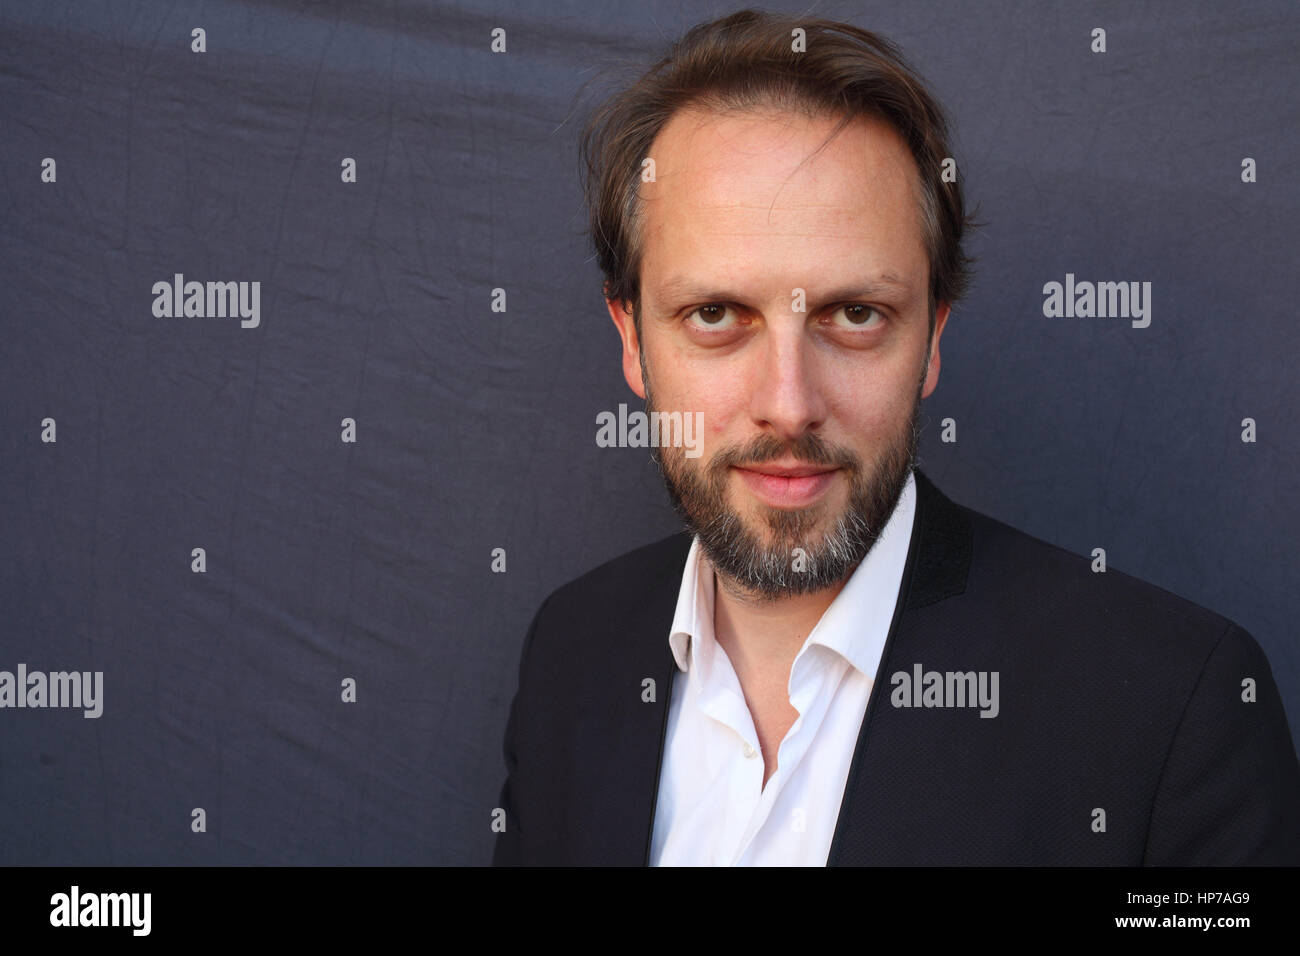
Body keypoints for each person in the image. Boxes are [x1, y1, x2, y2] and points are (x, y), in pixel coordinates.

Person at [491, 9, 1300, 866]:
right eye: (718, 315)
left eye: (855, 314)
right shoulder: (570, 652)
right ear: (631, 341)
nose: (790, 405)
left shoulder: (1173, 708)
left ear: (932, 339)